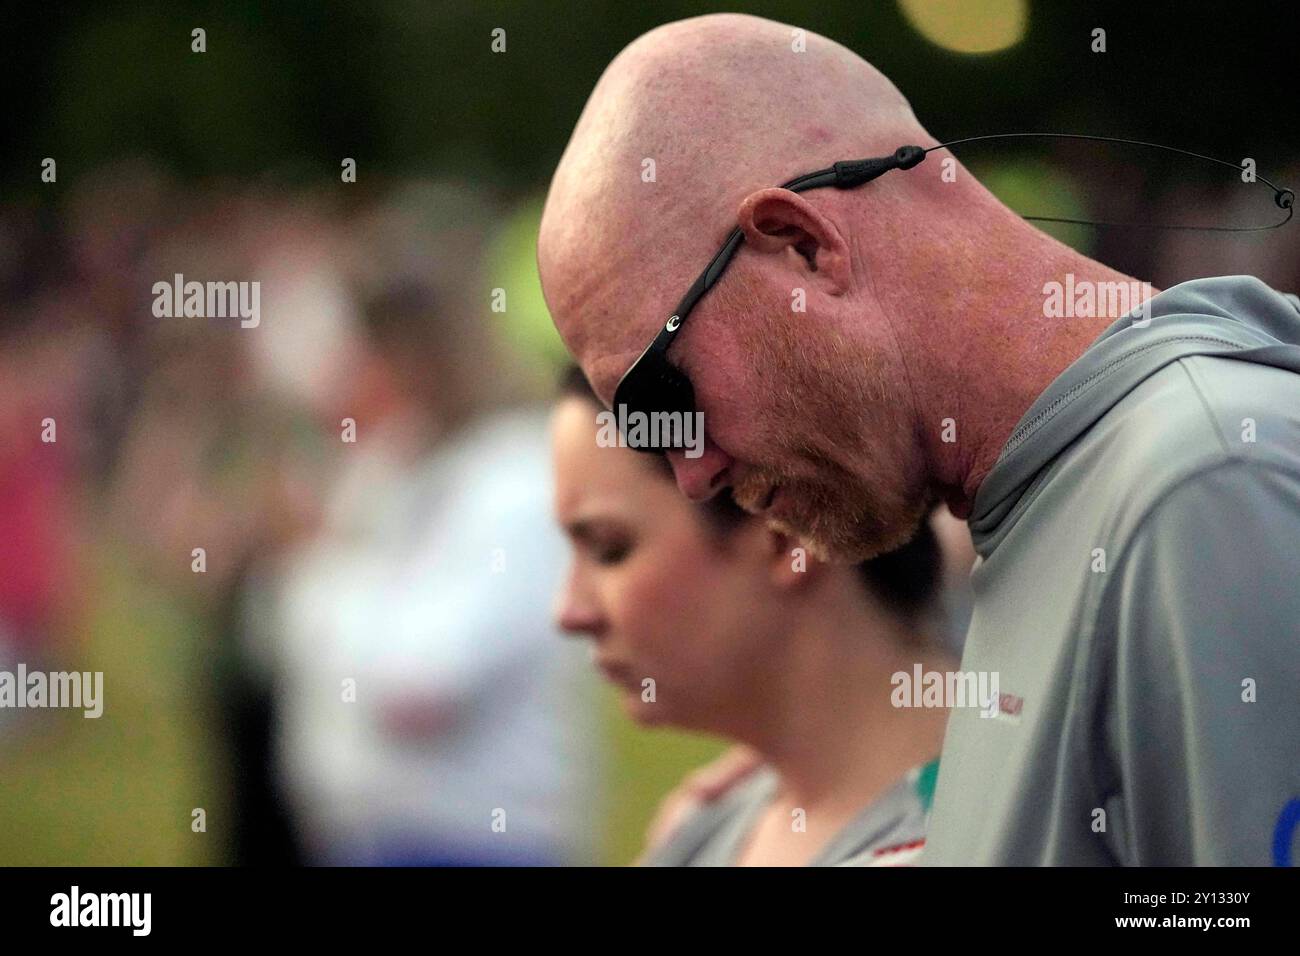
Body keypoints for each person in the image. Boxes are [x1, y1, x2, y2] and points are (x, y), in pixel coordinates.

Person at [538, 13, 1300, 864]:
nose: (691, 472)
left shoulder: (1205, 483)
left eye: (659, 394)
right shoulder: (1059, 498)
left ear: (802, 247)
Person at [552, 367, 956, 866]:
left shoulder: (997, 831)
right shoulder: (708, 824)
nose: (570, 612)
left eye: (610, 548)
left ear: (788, 537)